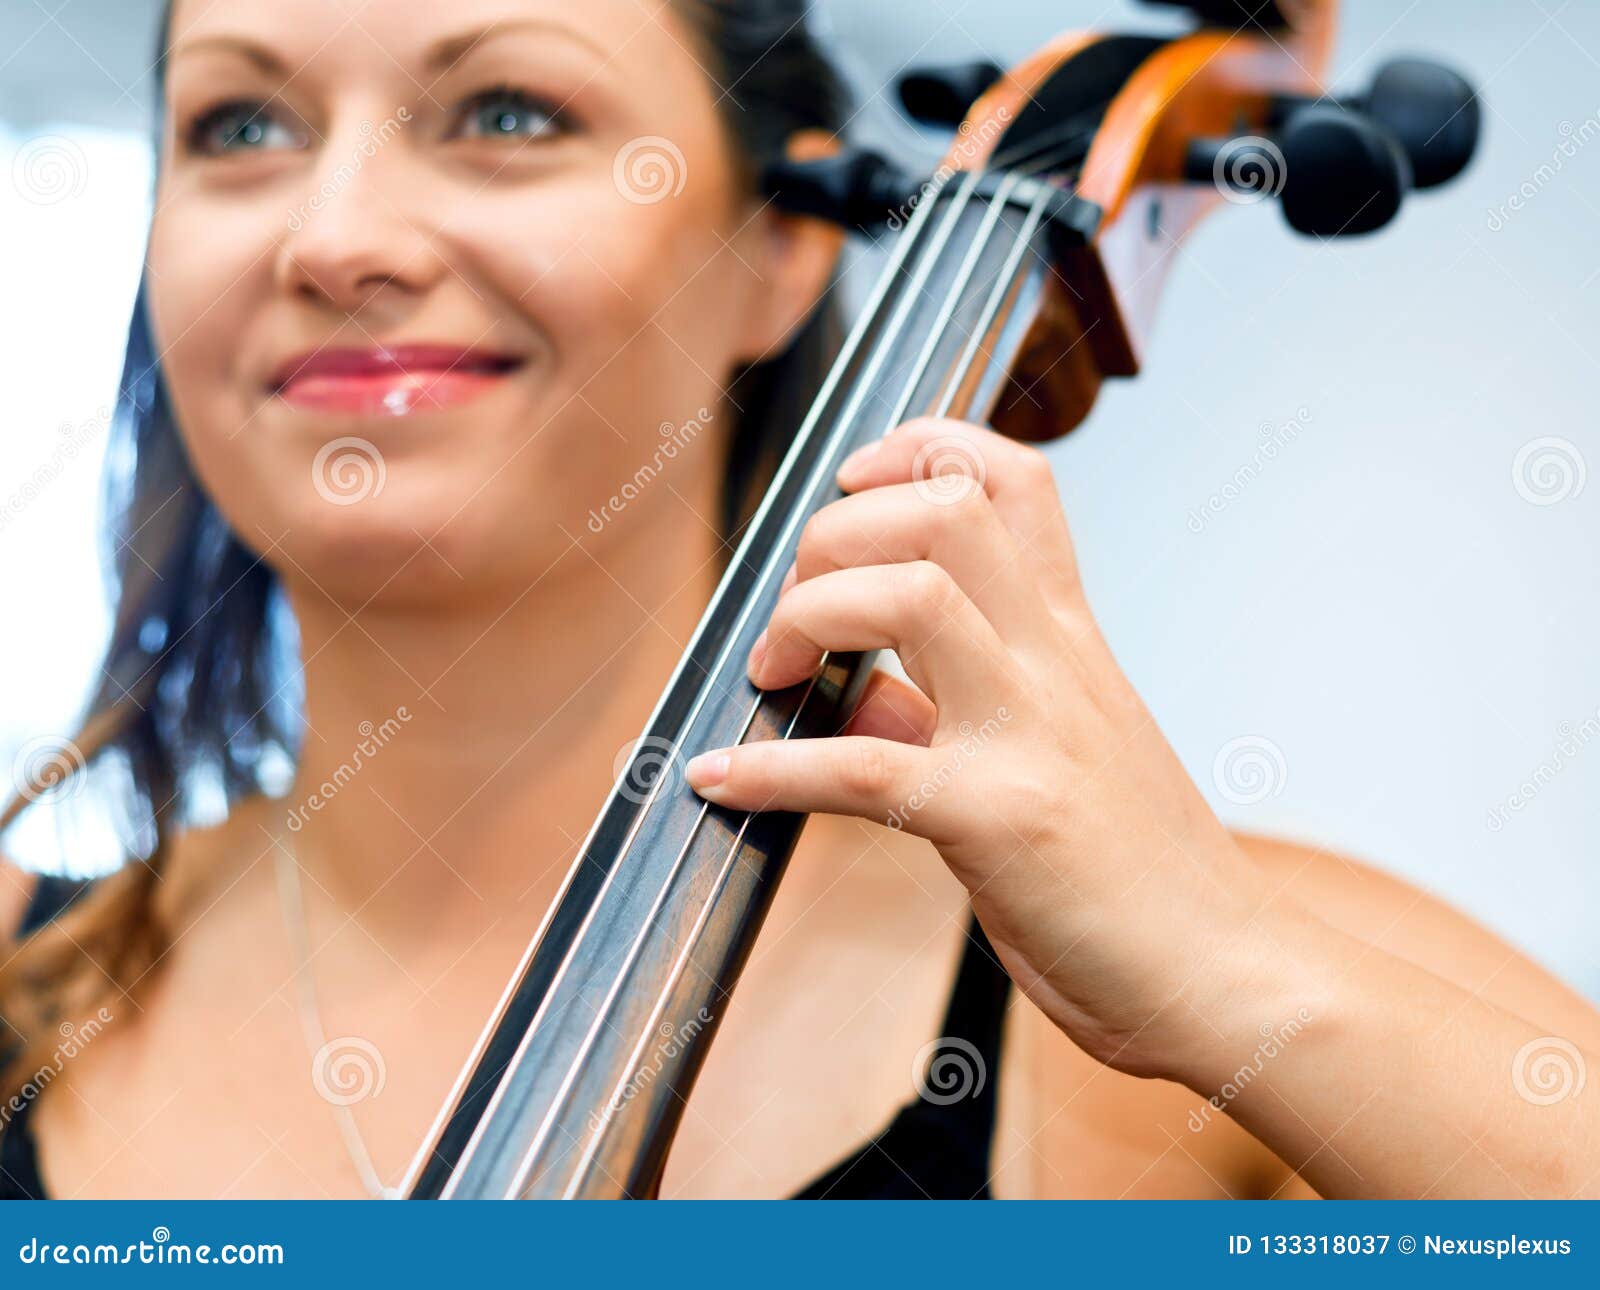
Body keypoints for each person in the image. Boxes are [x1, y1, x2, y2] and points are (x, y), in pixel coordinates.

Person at [2, 0, 1595, 1200]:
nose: (334, 233)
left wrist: (1237, 977)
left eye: (504, 110)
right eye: (237, 128)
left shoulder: (1189, 1031)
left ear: (775, 244)